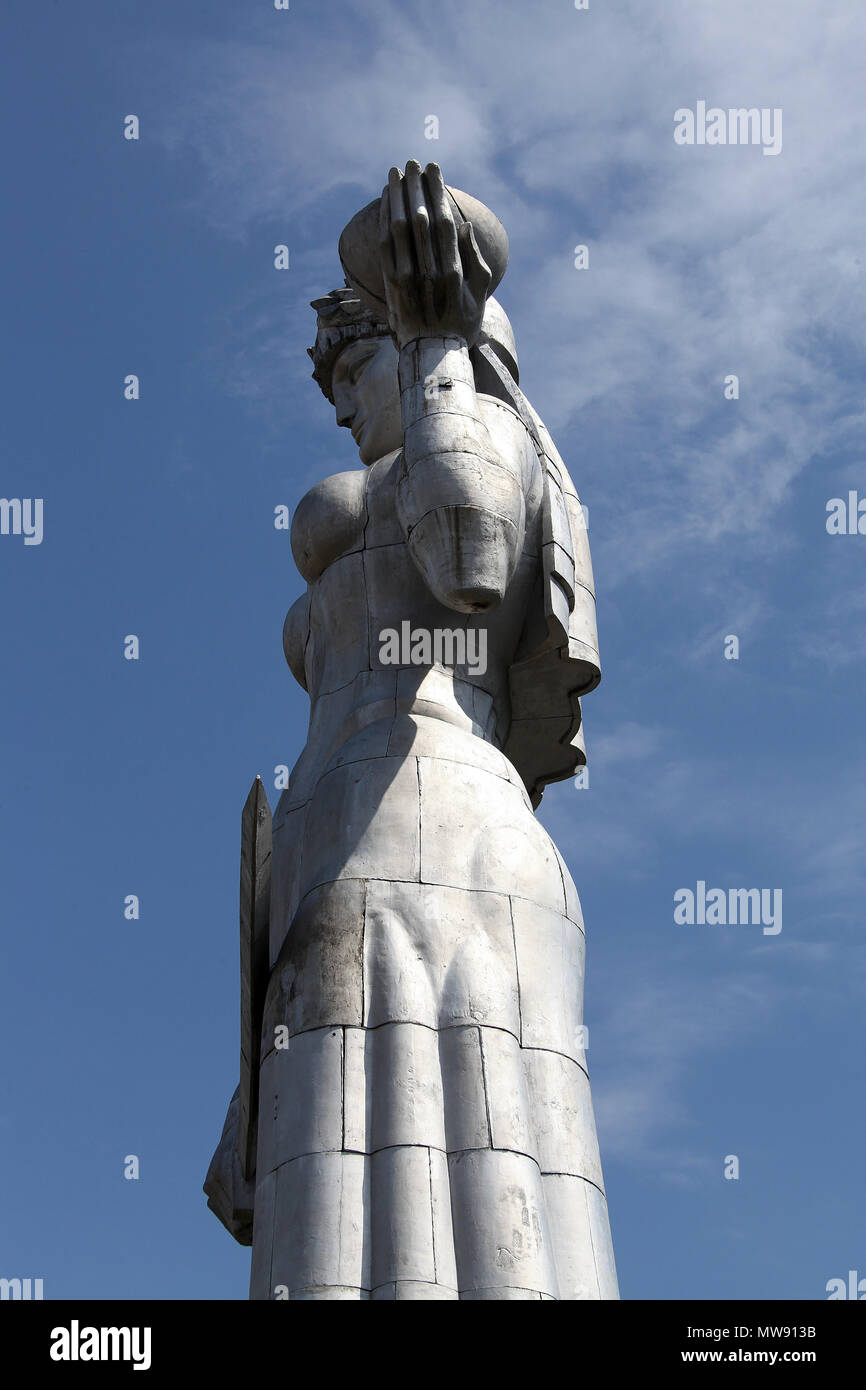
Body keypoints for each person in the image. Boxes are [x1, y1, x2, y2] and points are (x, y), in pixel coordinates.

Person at [206, 161, 618, 1300]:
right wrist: (252, 1079)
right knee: (327, 1236)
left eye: (352, 364)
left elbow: (469, 560)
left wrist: (441, 350)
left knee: (494, 1202)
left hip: (439, 822)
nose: (341, 404)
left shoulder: (483, 433)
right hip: (329, 844)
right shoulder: (382, 460)